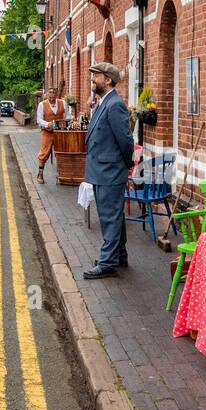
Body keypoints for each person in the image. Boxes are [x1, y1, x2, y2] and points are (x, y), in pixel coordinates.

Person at [82, 62, 135, 279]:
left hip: (110, 171)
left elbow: (126, 141)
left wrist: (124, 165)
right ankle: (119, 255)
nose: (92, 79)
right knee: (114, 216)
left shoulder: (114, 105)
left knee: (109, 217)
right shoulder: (104, 102)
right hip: (102, 170)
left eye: (96, 76)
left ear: (108, 80)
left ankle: (107, 263)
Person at [35, 86, 73, 184]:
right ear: (47, 96)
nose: (51, 99)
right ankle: (40, 173)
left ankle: (62, 175)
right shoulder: (42, 105)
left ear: (56, 96)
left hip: (60, 132)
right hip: (47, 132)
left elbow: (67, 116)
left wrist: (66, 121)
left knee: (62, 152)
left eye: (53, 98)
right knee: (44, 153)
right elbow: (39, 120)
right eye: (50, 98)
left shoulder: (63, 103)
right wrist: (47, 124)